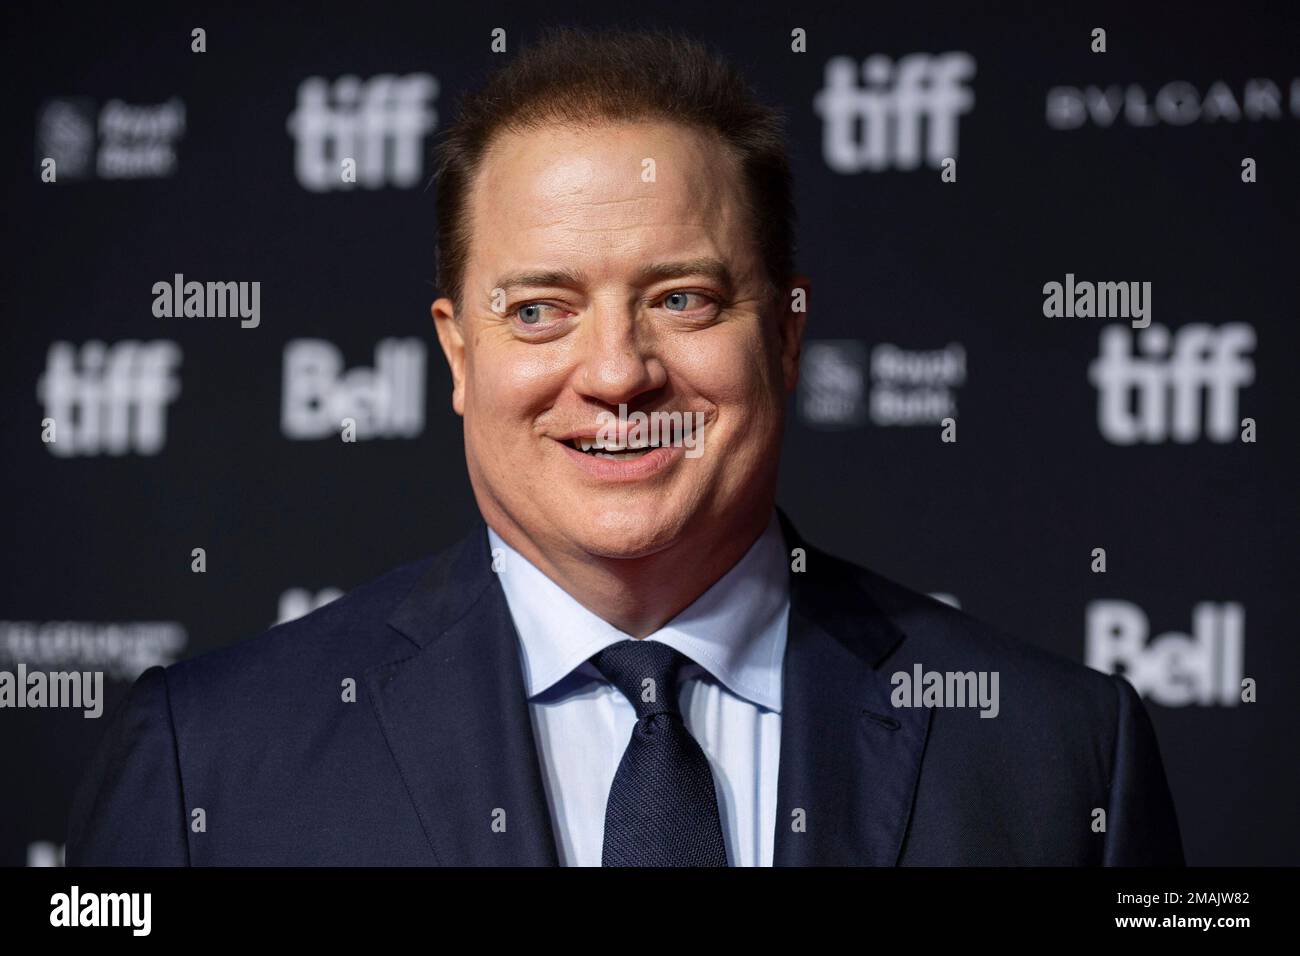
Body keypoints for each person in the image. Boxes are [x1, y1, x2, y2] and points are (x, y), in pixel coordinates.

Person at [67, 25, 1183, 867]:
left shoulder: (1058, 752)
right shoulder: (205, 759)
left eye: (684, 298)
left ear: (785, 336)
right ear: (456, 356)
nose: (615, 371)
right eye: (541, 310)